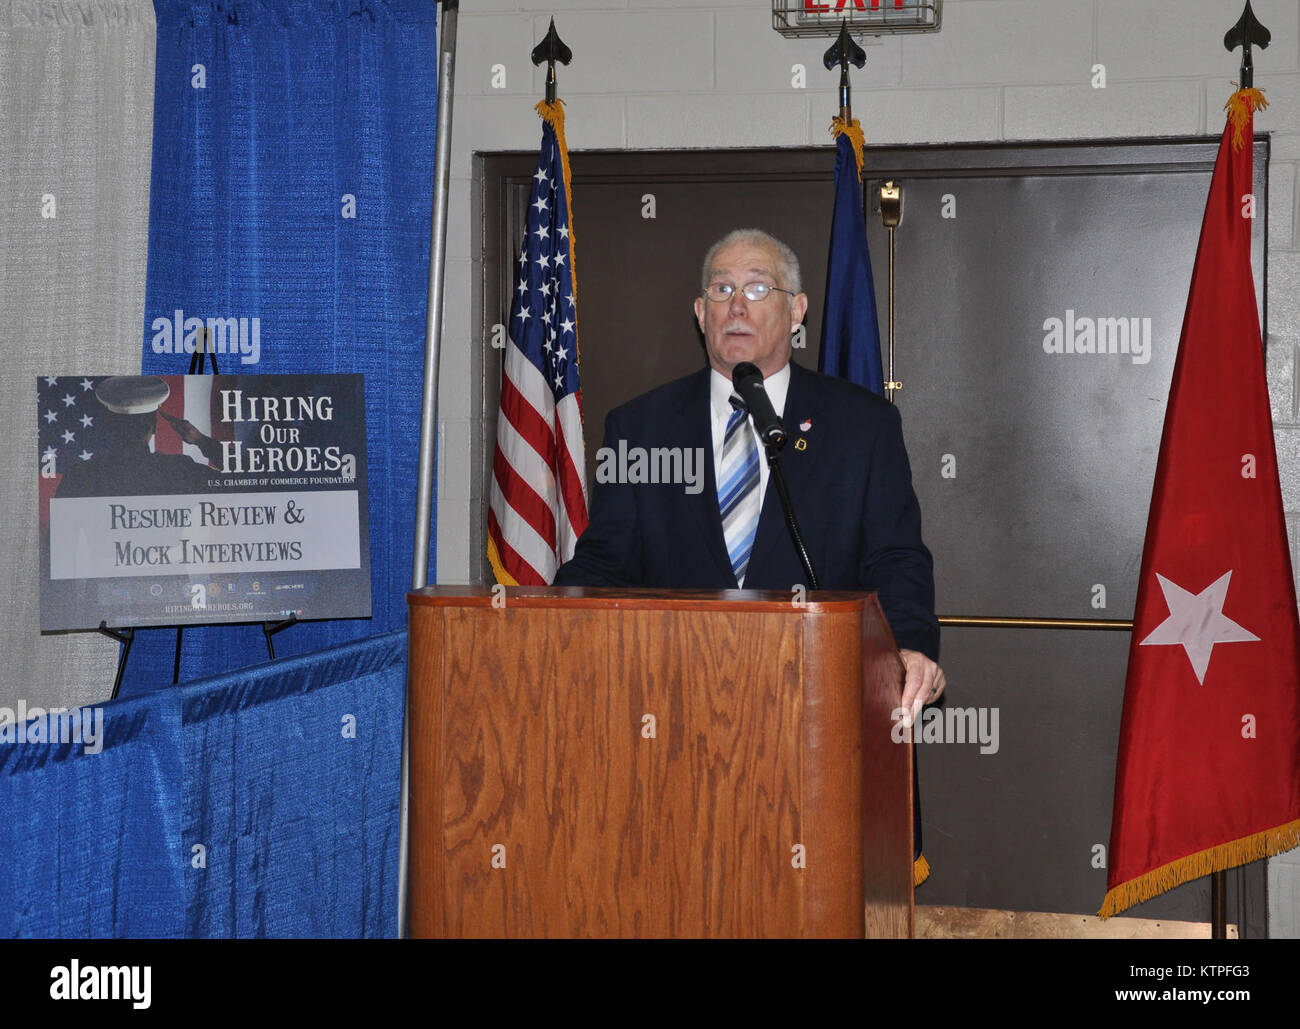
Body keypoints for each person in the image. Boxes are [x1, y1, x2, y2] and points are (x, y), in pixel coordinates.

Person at [554, 228, 945, 719]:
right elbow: (604, 566)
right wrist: (547, 627)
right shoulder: (640, 427)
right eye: (721, 290)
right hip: (673, 707)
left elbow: (895, 557)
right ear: (701, 314)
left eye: (758, 289)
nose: (737, 306)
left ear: (797, 310)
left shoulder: (862, 425)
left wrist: (908, 646)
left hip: (818, 702)